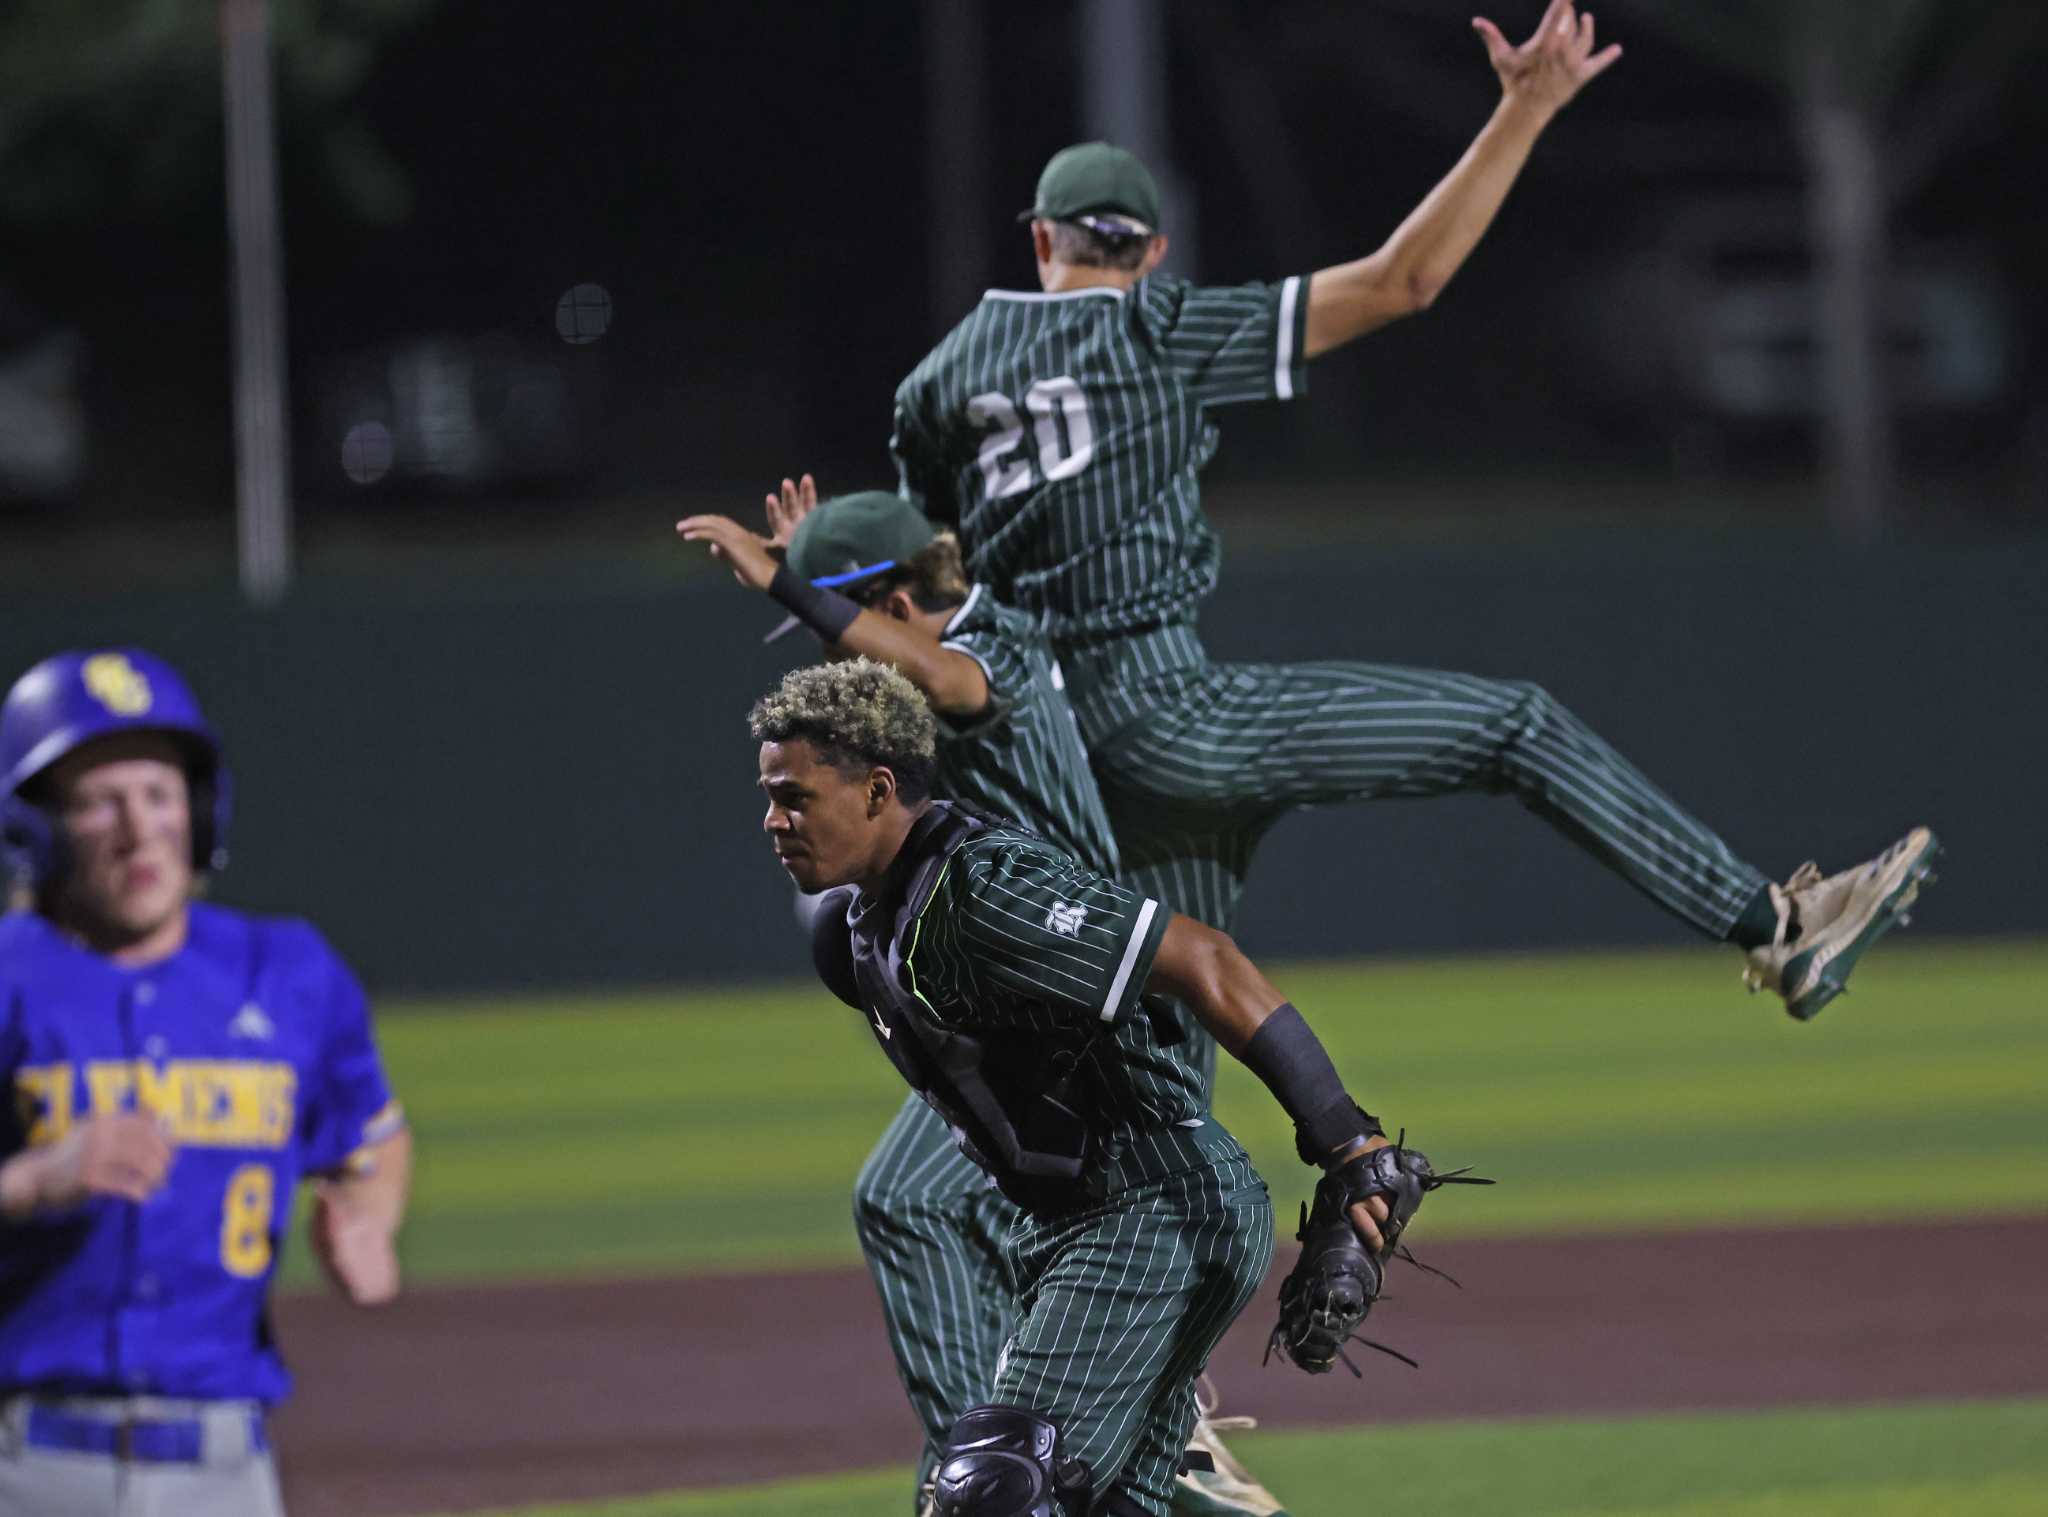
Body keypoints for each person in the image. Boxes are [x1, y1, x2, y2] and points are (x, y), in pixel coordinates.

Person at [887, 0, 1937, 1022]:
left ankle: (1103, 1199)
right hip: (1166, 711)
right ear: (1151, 254)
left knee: (1165, 1043)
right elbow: (1404, 280)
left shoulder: (938, 382)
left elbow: (917, 596)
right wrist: (1521, 111)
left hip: (1053, 751)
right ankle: (1773, 924)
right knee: (1515, 726)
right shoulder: (1154, 328)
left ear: (1039, 245)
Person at [681, 489, 1272, 1514]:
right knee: (962, 1208)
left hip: (1077, 990)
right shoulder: (897, 725)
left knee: (914, 1198)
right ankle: (1069, 1446)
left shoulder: (986, 640)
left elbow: (947, 676)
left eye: (852, 623)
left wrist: (791, 581)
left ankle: (1006, 1470)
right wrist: (819, 569)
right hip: (1016, 993)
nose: (842, 659)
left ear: (897, 597)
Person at [743, 657, 1447, 1516]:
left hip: (1154, 1206)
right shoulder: (869, 925)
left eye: (795, 795)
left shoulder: (981, 887)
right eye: (769, 794)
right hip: (1093, 1222)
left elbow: (1205, 959)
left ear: (878, 788)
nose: (774, 820)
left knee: (995, 1492)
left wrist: (1349, 1141)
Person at [0, 648, 412, 1517]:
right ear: (35, 826)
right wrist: (32, 1181)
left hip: (226, 1471)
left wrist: (370, 1215)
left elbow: (372, 1134)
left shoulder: (287, 969)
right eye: (97, 801)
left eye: (157, 793)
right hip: (26, 1462)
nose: (138, 828)